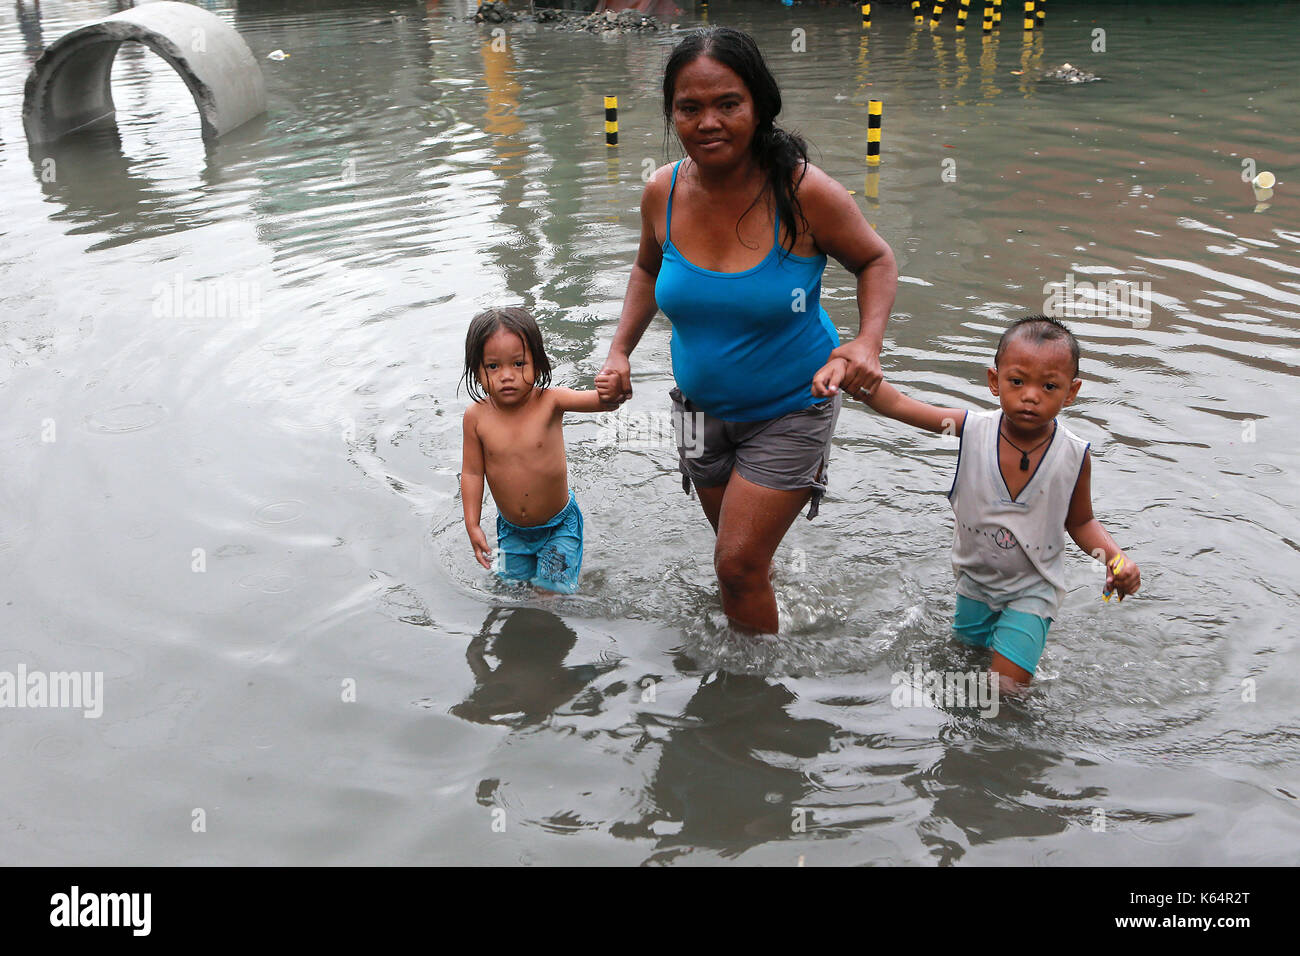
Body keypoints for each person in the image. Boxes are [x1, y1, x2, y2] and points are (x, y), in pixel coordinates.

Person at [595, 26, 898, 634]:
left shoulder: (805, 192)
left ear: (758, 105)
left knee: (734, 564)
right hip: (699, 411)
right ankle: (764, 621)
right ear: (672, 114)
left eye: (727, 103)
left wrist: (865, 343)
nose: (709, 121)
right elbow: (646, 266)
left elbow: (875, 260)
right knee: (740, 561)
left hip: (791, 406)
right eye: (690, 107)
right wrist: (619, 350)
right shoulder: (663, 190)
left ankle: (754, 706)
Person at [854, 315, 1142, 687]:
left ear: (1071, 392)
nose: (1031, 395)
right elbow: (898, 405)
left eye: (1049, 386)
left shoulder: (1073, 455)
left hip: (1033, 589)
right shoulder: (970, 429)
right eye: (1017, 381)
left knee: (1004, 691)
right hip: (975, 582)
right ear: (995, 381)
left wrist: (1115, 558)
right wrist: (854, 377)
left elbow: (1081, 522)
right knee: (965, 667)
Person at [461, 307, 618, 594]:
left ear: (537, 363)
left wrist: (613, 390)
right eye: (493, 366)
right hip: (511, 532)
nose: (507, 376)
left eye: (518, 363)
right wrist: (472, 525)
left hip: (559, 527)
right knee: (511, 590)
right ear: (476, 369)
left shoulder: (551, 402)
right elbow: (471, 473)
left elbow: (601, 402)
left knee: (549, 594)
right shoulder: (476, 417)